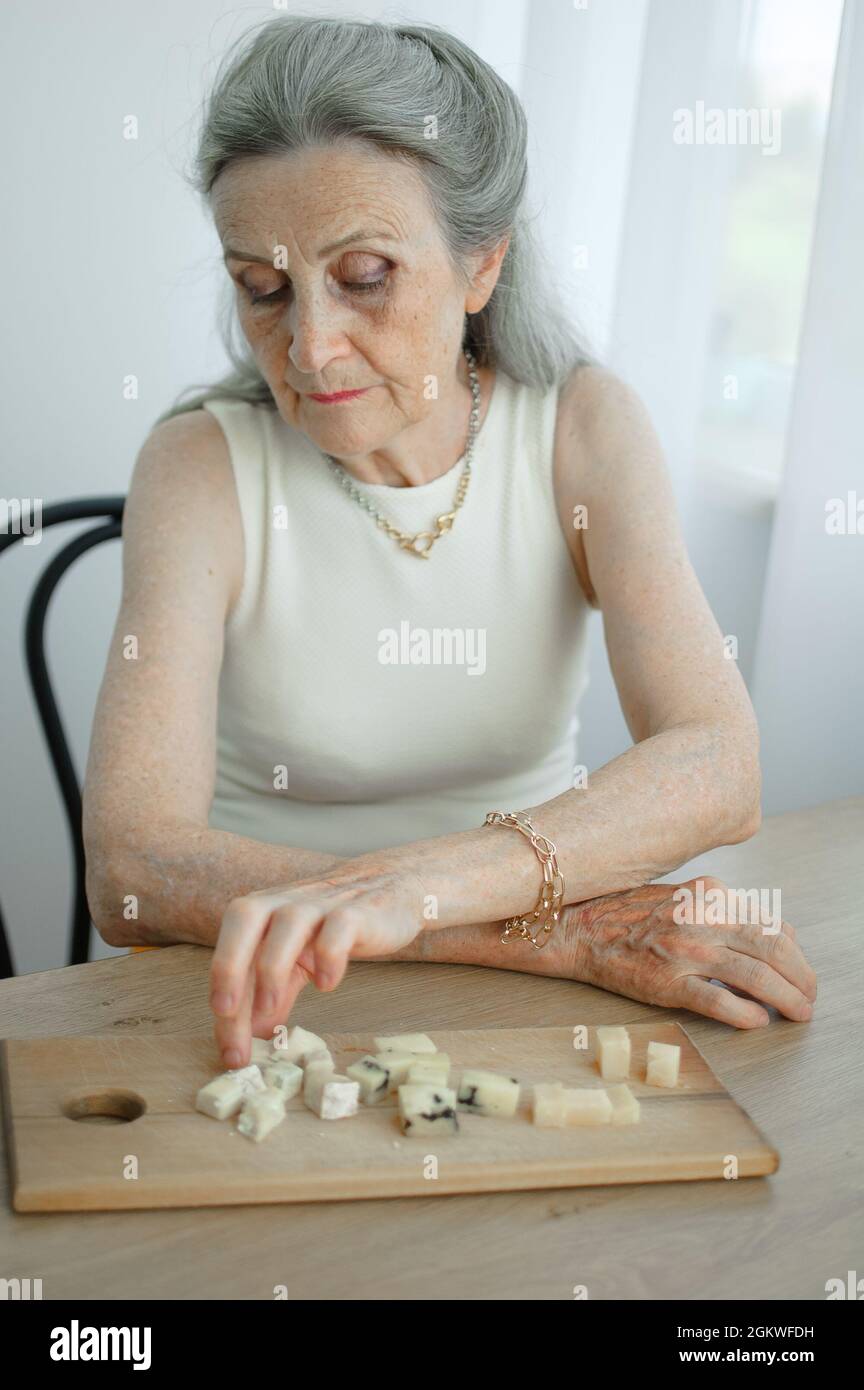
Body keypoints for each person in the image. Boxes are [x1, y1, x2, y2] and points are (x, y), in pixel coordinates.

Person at [83, 16, 816, 1069]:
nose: (309, 342)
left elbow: (719, 761)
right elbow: (133, 869)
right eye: (262, 287)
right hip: (269, 994)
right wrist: (551, 930)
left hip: (515, 1017)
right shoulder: (200, 466)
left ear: (483, 263)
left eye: (366, 274)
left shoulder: (581, 427)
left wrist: (412, 890)